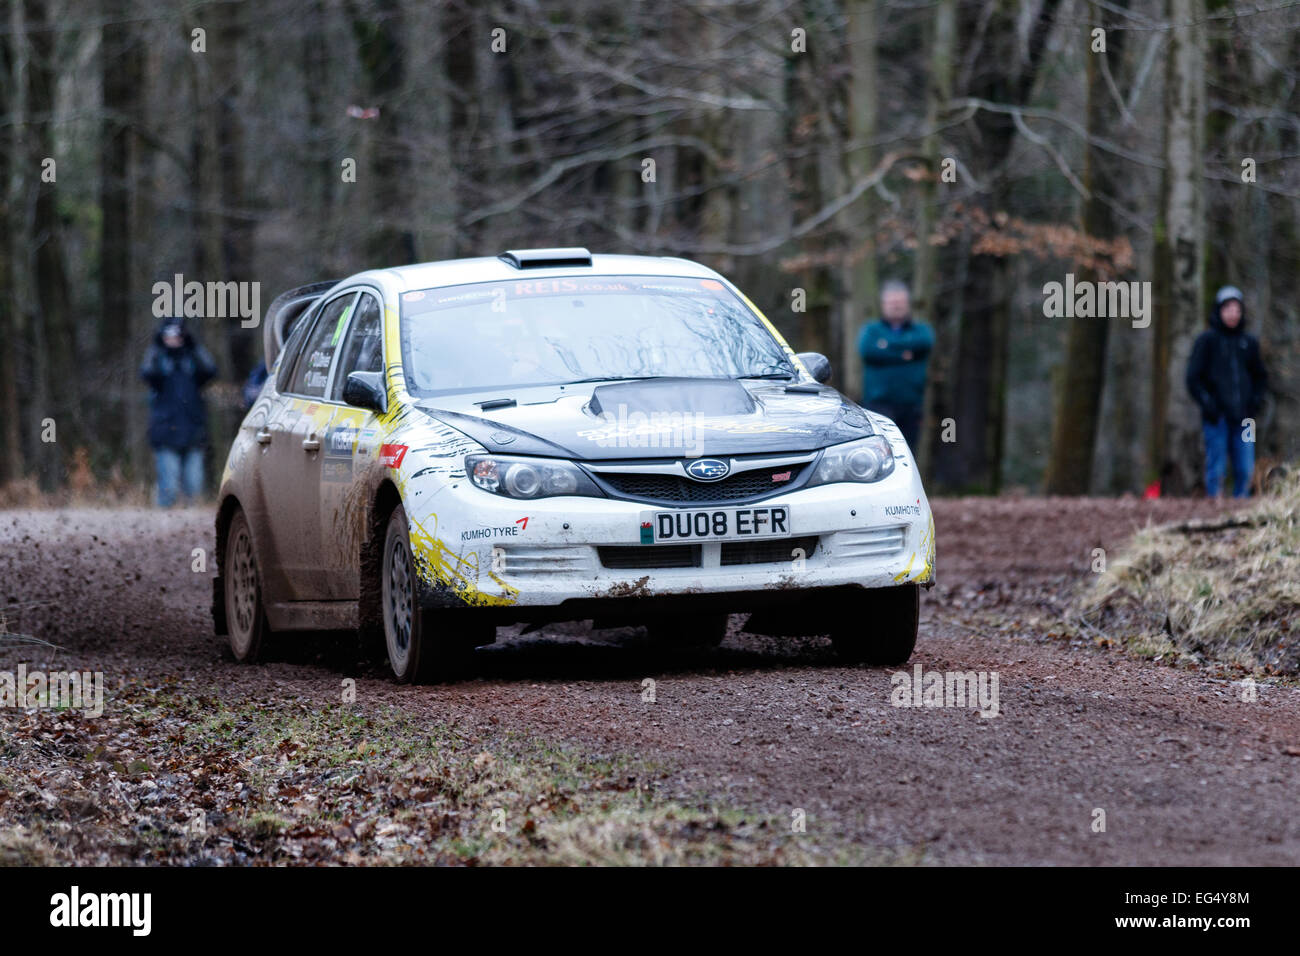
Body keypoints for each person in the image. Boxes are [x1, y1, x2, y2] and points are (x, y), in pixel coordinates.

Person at [1185, 285, 1268, 498]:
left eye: (1237, 309)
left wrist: (1255, 402)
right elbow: (1193, 378)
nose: (1233, 313)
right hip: (1216, 418)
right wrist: (1208, 404)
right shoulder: (1207, 341)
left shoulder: (1248, 342)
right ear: (1219, 311)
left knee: (1246, 468)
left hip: (1246, 419)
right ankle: (1215, 508)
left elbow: (1261, 376)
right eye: (1228, 308)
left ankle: (1242, 510)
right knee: (1216, 468)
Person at [140, 318, 217, 506]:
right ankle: (161, 526)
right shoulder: (159, 361)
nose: (173, 340)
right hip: (165, 432)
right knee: (169, 490)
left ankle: (190, 529)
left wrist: (194, 346)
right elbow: (146, 372)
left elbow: (211, 370)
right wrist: (158, 345)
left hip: (193, 431)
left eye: (177, 335)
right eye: (169, 335)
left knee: (194, 488)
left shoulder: (192, 360)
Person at [857, 280, 934, 449]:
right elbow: (868, 351)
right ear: (883, 304)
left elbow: (924, 343)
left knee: (908, 454)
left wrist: (886, 347)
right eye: (892, 302)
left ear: (908, 304)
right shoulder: (871, 330)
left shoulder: (921, 330)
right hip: (878, 407)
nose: (896, 306)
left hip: (911, 407)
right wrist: (905, 353)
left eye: (900, 302)